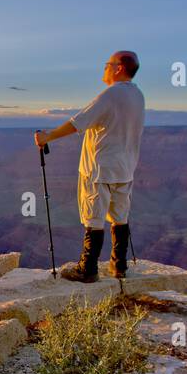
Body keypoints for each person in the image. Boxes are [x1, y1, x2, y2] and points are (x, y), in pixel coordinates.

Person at [34, 50, 145, 281]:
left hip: (100, 168)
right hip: (125, 168)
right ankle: (119, 265)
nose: (104, 68)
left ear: (118, 68)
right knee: (120, 216)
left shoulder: (110, 95)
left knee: (93, 217)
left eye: (107, 64)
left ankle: (88, 268)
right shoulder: (138, 95)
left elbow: (78, 123)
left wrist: (48, 137)